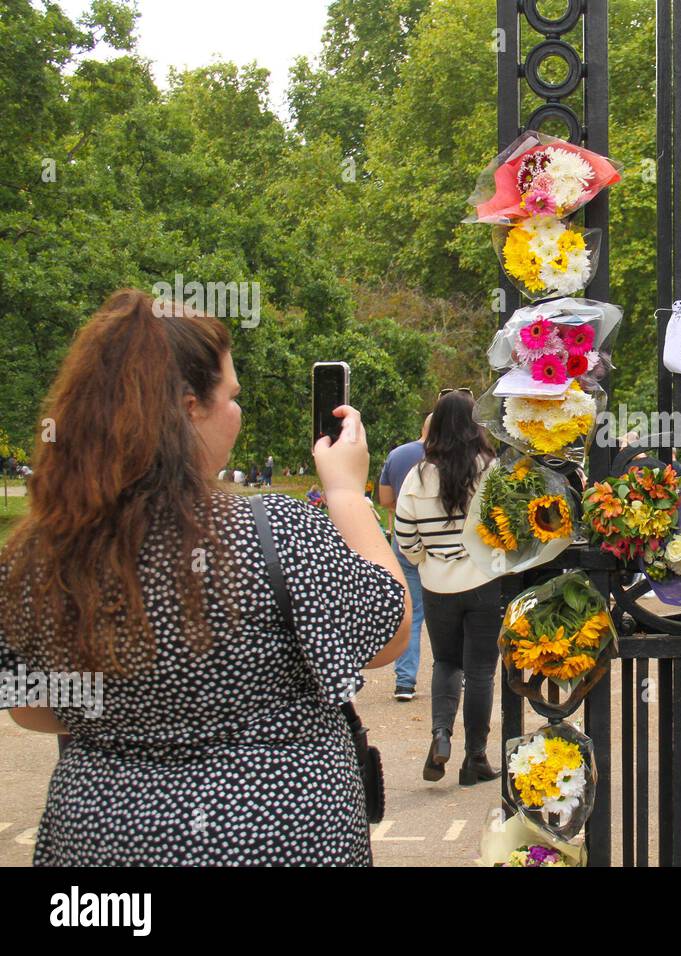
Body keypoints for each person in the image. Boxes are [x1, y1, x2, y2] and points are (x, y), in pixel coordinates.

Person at [0, 289, 412, 866]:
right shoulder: (273, 530)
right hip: (276, 832)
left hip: (102, 838)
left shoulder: (36, 553)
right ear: (192, 407)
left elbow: (30, 707)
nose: (237, 411)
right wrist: (345, 494)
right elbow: (388, 634)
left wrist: (139, 717)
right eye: (231, 395)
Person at [394, 390, 502, 787]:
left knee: (446, 664)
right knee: (479, 672)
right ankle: (475, 757)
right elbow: (502, 522)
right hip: (484, 581)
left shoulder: (419, 474)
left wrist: (426, 558)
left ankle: (440, 734)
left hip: (438, 585)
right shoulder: (489, 468)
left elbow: (404, 532)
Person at [377, 414, 434, 702]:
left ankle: (405, 681)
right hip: (443, 543)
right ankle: (451, 674)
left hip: (405, 535)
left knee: (412, 613)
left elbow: (385, 499)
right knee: (444, 612)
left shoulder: (398, 455)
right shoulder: (455, 455)